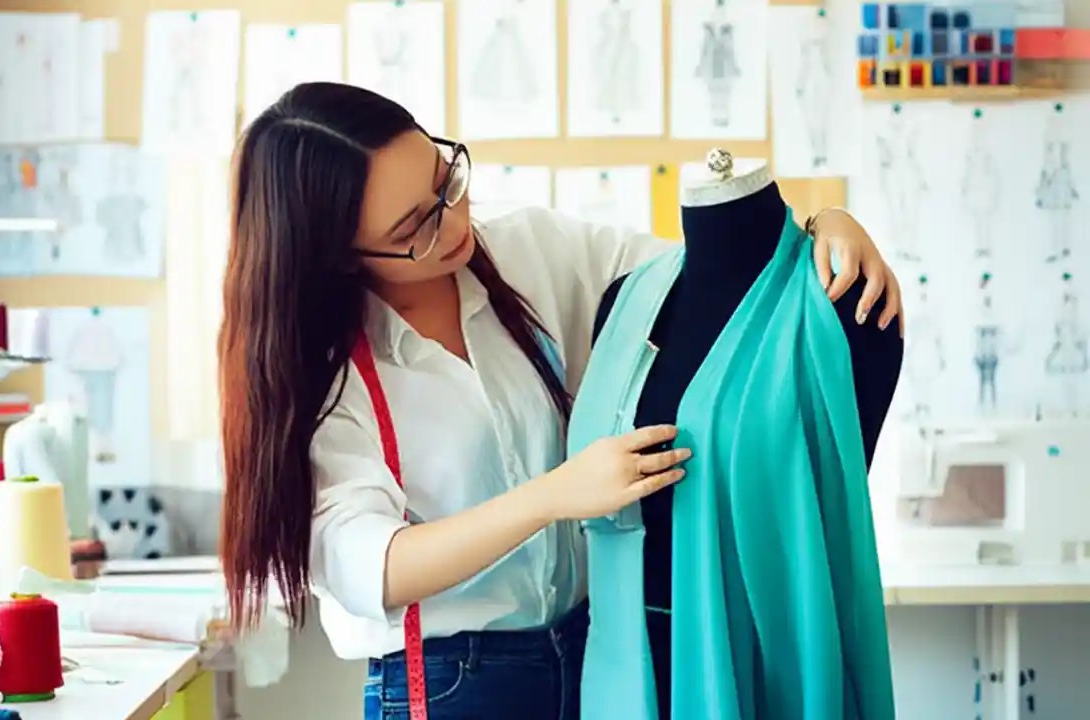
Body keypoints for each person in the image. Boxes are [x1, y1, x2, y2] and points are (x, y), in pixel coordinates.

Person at [217, 82, 904, 720]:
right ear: (340, 256)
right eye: (413, 229)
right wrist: (556, 496)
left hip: (592, 656)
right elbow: (372, 568)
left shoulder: (537, 252)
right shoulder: (328, 377)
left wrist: (821, 228)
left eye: (444, 180)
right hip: (453, 682)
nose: (455, 221)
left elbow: (710, 280)